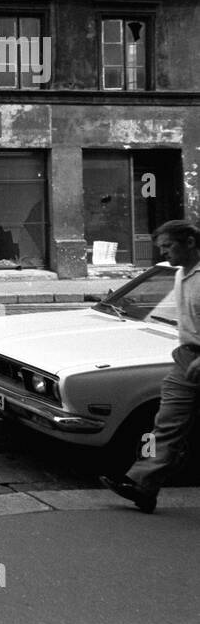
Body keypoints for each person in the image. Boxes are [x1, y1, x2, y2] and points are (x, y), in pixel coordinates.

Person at [100, 219, 200, 513]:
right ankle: (142, 485)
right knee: (168, 422)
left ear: (190, 243)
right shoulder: (181, 273)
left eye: (168, 246)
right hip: (186, 359)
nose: (164, 253)